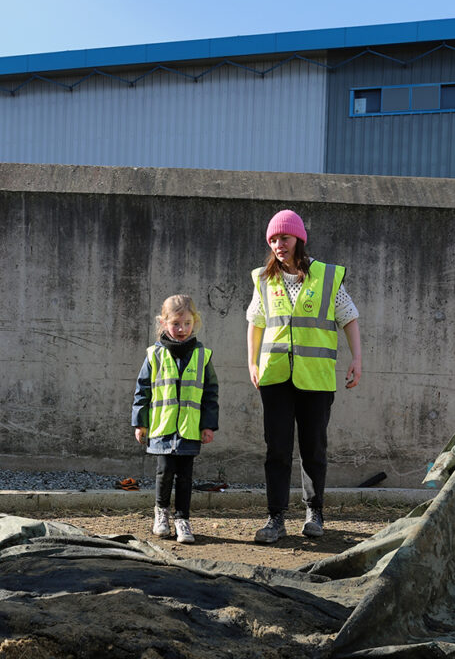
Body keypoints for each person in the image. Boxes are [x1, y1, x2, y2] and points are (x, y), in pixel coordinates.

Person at [247, 210, 361, 543]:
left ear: (299, 238)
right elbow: (255, 322)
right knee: (277, 450)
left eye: (284, 238)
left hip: (316, 379)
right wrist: (252, 363)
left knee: (313, 448)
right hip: (275, 377)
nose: (278, 245)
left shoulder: (326, 277)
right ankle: (275, 518)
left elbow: (349, 317)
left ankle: (314, 513)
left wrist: (357, 359)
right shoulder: (264, 280)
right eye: (273, 240)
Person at [132, 294, 219, 544]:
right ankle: (161, 513)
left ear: (195, 322)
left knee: (185, 476)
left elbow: (210, 393)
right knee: (164, 472)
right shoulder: (154, 355)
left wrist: (208, 425)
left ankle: (182, 519)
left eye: (187, 323)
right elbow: (142, 391)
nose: (182, 329)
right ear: (163, 323)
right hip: (162, 428)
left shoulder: (202, 356)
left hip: (190, 429)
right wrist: (140, 422)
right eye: (176, 324)